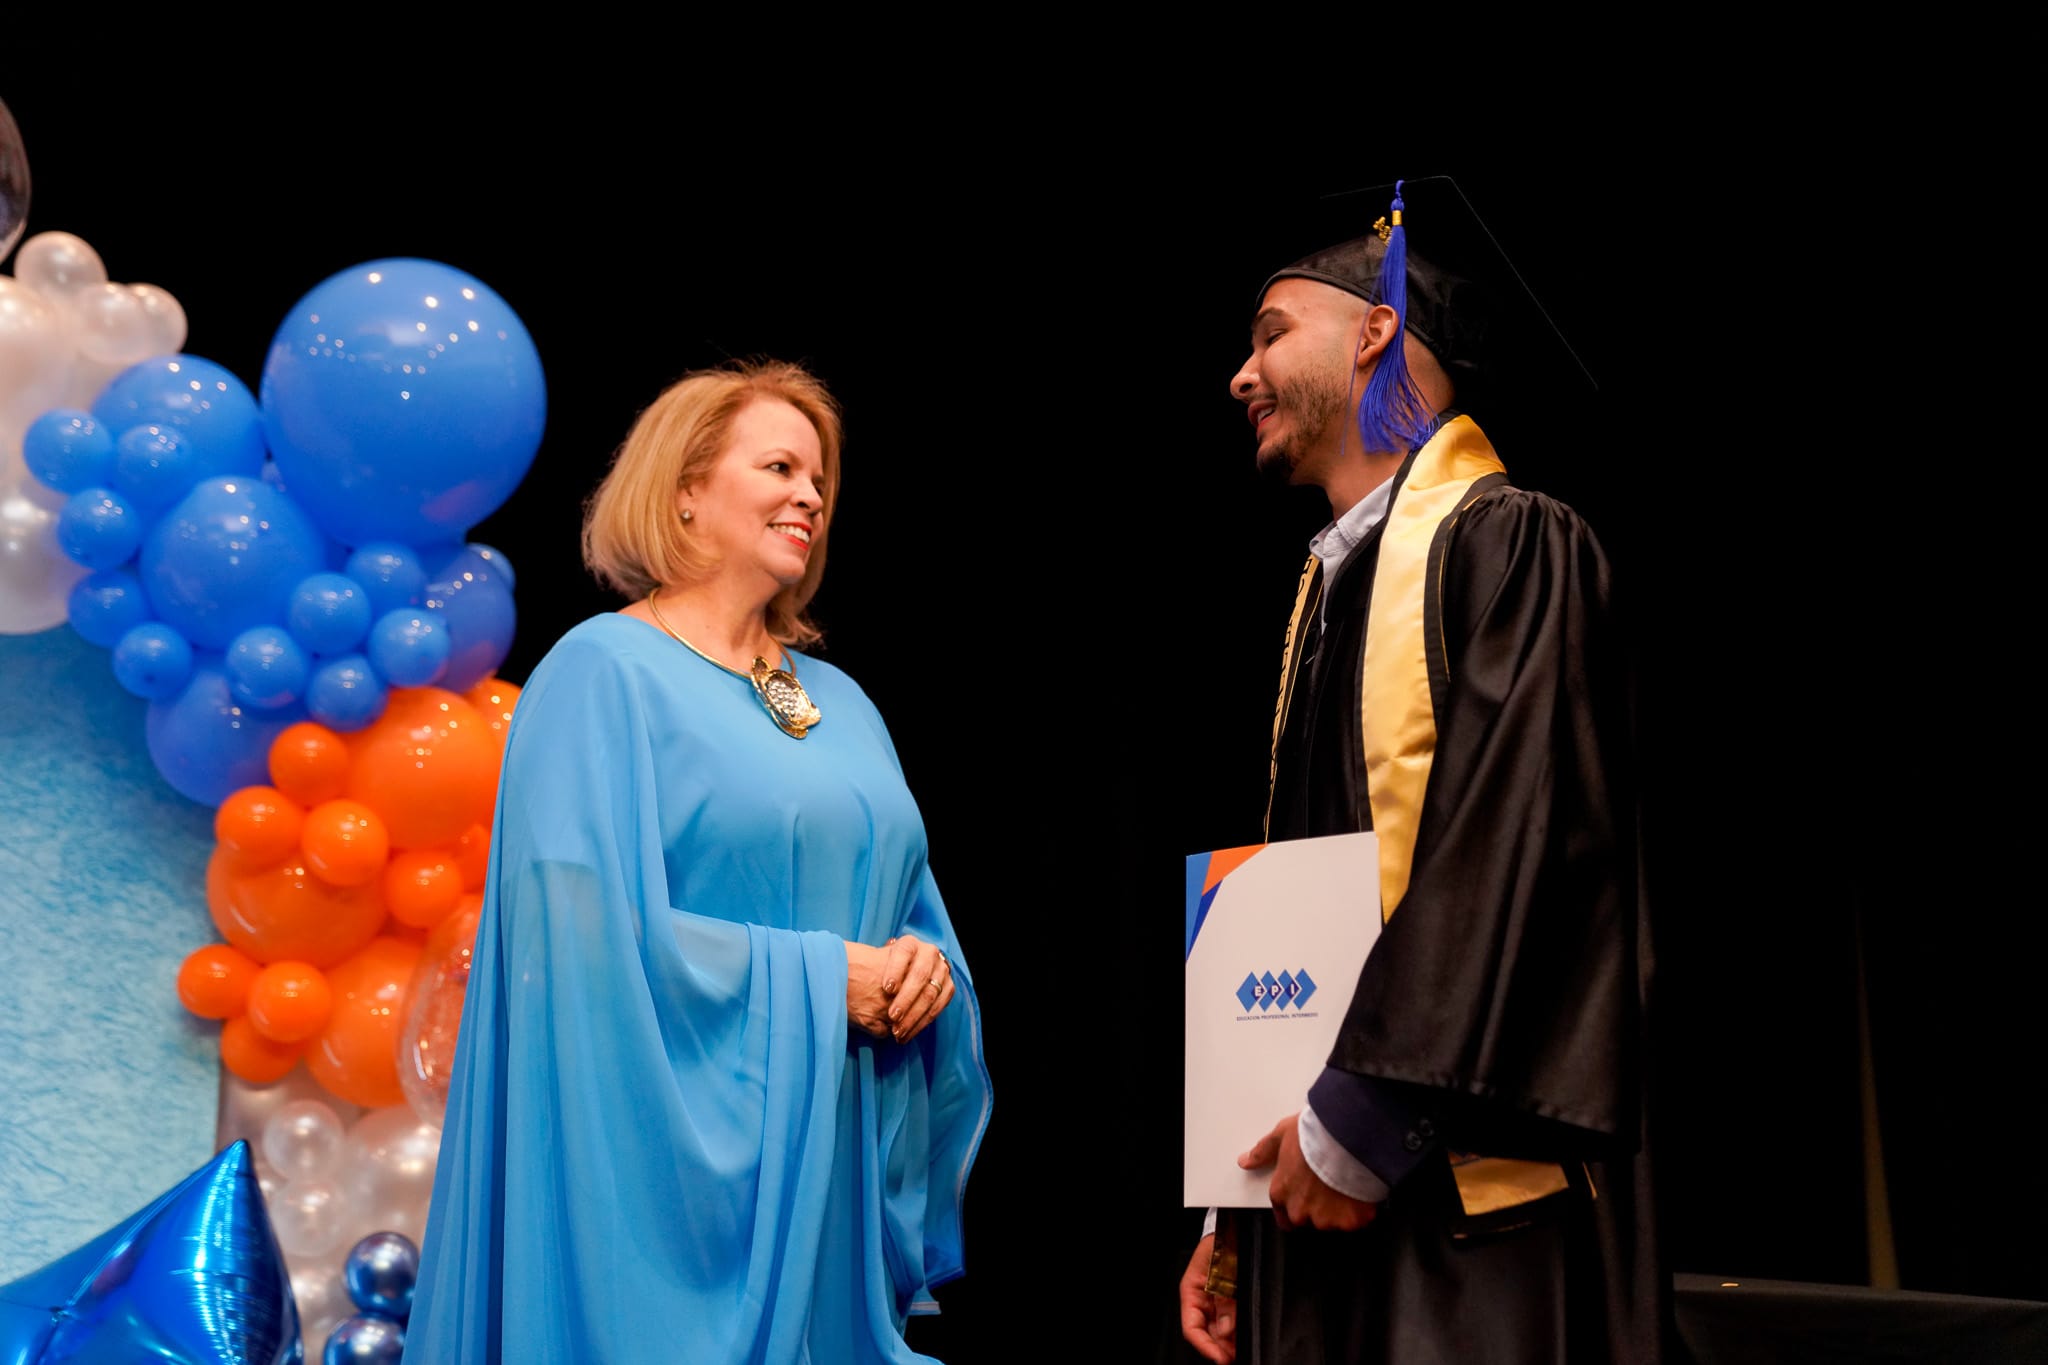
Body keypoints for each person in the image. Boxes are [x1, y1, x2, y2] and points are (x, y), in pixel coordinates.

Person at [404, 358, 993, 1364]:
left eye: (818, 479)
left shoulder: (819, 699)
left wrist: (919, 965)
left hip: (825, 1158)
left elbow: (895, 884)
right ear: (684, 492)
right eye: (777, 467)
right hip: (657, 1204)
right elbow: (578, 955)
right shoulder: (601, 673)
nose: (808, 495)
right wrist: (819, 980)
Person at [1177, 179, 1663, 1363]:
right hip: (1319, 1191)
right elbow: (1296, 926)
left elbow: (1515, 850)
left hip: (1468, 1205)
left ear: (1376, 330)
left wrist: (1358, 1120)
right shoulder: (1327, 596)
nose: (1239, 378)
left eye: (1268, 335)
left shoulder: (1509, 543)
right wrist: (1234, 1204)